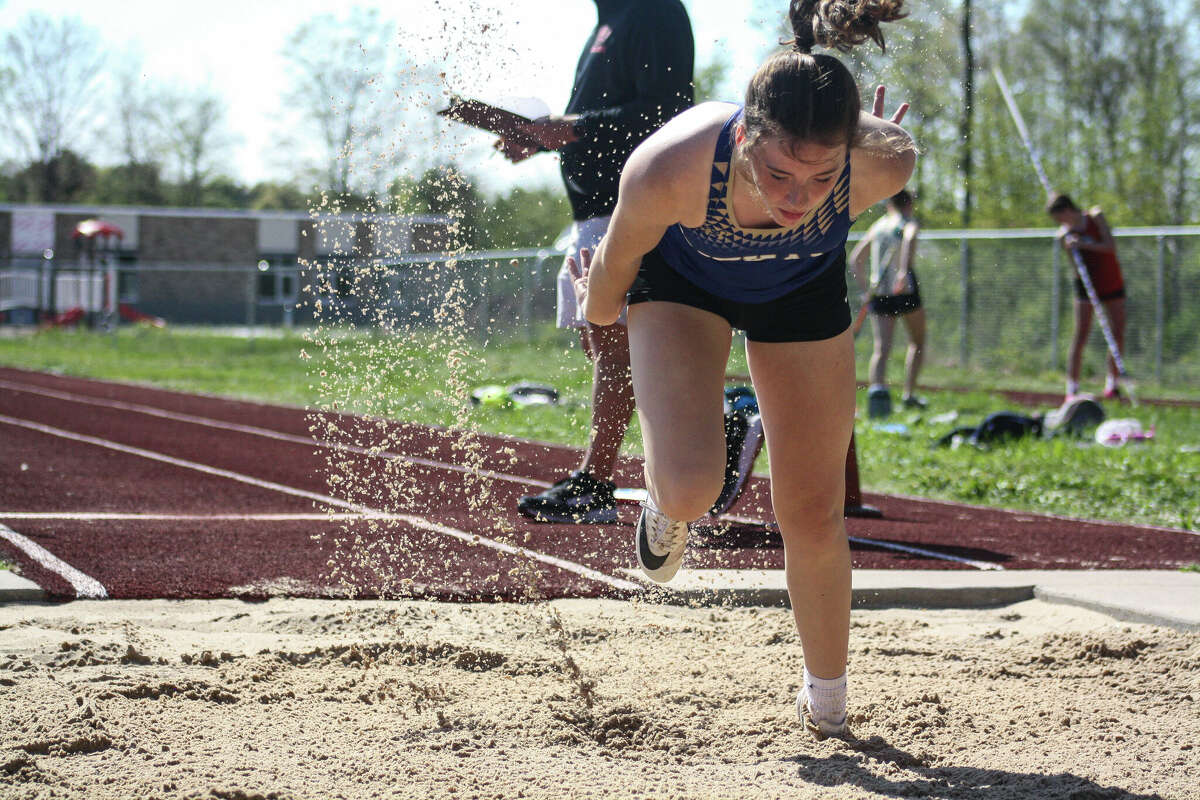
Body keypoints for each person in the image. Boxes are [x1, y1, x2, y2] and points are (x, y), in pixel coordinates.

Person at [569, 0, 914, 737]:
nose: (797, 199)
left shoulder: (880, 165)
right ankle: (667, 503)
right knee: (695, 486)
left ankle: (826, 702)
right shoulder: (674, 164)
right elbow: (612, 280)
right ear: (745, 135)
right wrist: (592, 305)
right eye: (779, 173)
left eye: (822, 180)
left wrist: (855, 155)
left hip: (801, 291)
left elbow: (872, 151)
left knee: (812, 513)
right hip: (684, 288)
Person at [497, 0, 694, 525]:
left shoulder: (655, 12)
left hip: (630, 207)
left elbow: (666, 112)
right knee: (606, 346)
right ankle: (694, 441)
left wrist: (573, 128)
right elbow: (605, 123)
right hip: (595, 213)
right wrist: (544, 140)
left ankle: (600, 478)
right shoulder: (610, 19)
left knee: (618, 345)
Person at [849, 188, 926, 417]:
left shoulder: (879, 225)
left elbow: (855, 260)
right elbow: (910, 237)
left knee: (881, 349)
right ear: (908, 203)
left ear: (889, 203)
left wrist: (866, 290)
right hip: (904, 291)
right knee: (918, 341)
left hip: (880, 292)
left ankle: (877, 398)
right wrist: (903, 271)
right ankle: (909, 394)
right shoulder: (908, 222)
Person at [1046, 193, 1128, 401]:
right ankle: (1072, 389)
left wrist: (1083, 243)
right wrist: (1069, 247)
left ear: (1066, 210)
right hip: (1086, 284)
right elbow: (1075, 267)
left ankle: (1112, 385)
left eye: (1059, 217)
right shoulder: (1066, 233)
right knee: (1080, 334)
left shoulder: (1095, 216)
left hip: (1110, 280)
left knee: (1117, 332)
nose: (1059, 223)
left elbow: (1110, 246)